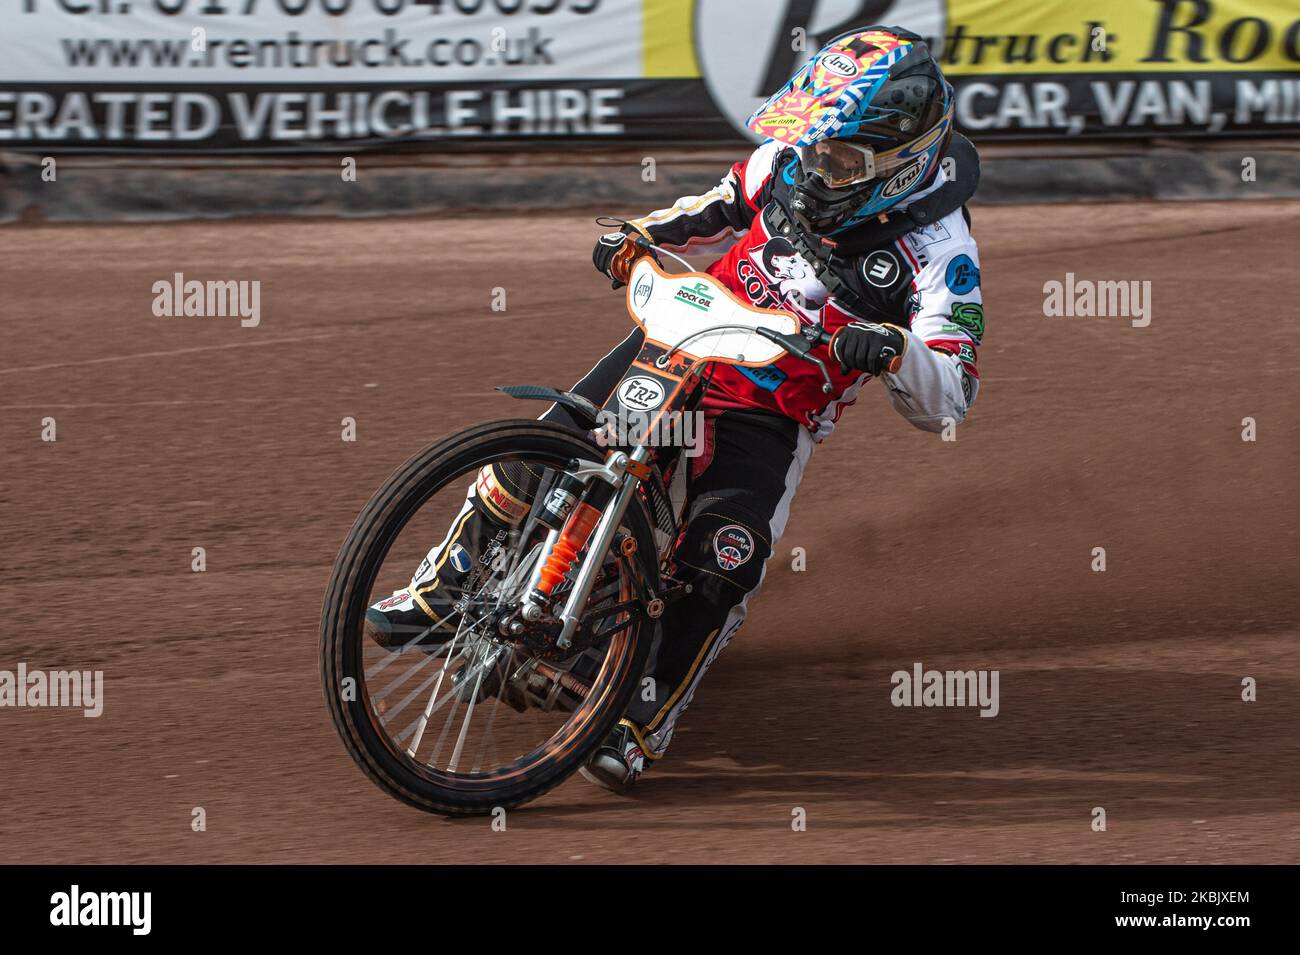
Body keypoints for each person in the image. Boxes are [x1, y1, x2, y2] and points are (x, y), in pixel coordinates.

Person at [365, 26, 985, 793]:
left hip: (771, 405)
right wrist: (638, 234)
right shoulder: (790, 160)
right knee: (546, 442)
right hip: (684, 336)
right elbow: (718, 205)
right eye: (814, 148)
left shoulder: (942, 253)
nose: (814, 168)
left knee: (728, 552)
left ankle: (643, 711)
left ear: (901, 163)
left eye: (839, 161)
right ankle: (447, 580)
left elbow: (952, 392)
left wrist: (892, 349)